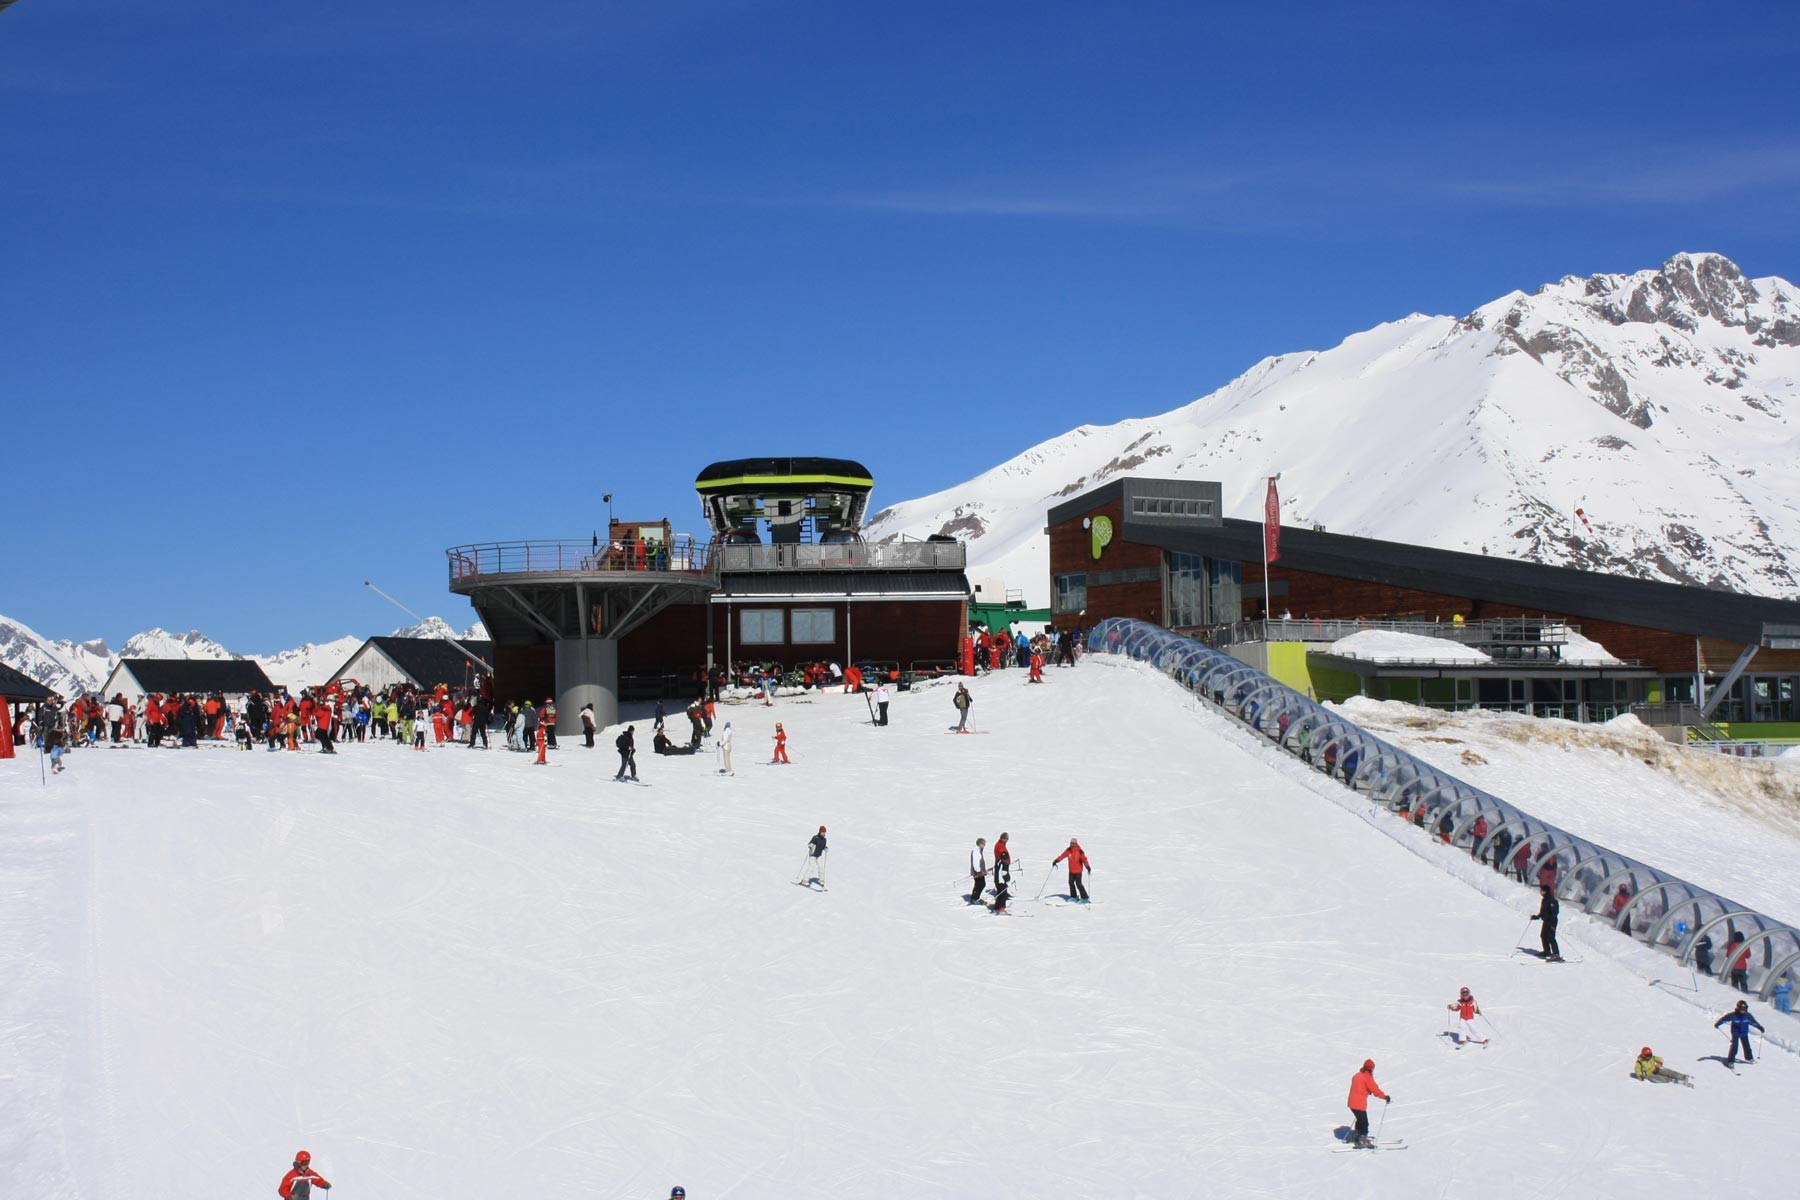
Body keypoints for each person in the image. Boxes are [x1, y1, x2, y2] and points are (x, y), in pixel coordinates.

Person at [1346, 1059, 1389, 1149]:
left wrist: (1366, 1090)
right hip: (1359, 1104)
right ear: (1371, 1068)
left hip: (1351, 1103)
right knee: (1364, 1123)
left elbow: (1359, 1087)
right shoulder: (1367, 1077)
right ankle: (1362, 1140)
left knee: (1360, 1120)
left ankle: (1356, 1136)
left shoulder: (1357, 1075)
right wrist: (1384, 1097)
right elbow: (1375, 1089)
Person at [1715, 999, 1764, 1066]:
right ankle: (1731, 1061)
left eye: (1744, 1009)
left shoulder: (1748, 1016)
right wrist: (1718, 1023)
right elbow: (1724, 1019)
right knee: (1735, 1047)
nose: (1743, 1011)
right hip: (1735, 1033)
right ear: (1738, 1008)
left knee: (1747, 1046)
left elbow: (1753, 1022)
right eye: (1741, 1009)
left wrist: (1760, 1027)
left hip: (1744, 1033)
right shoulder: (1733, 1015)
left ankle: (1749, 1058)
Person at [1529, 884, 1561, 961]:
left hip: (1551, 921)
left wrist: (1551, 922)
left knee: (1551, 937)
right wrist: (1537, 917)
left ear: (1546, 891)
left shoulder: (1551, 900)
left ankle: (1556, 954)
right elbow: (1543, 912)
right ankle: (1547, 951)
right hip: (1546, 921)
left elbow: (1555, 912)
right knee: (1543, 935)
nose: (1541, 892)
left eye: (1542, 891)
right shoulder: (1545, 899)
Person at [1053, 838, 1091, 902]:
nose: (1072, 845)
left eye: (1073, 843)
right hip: (1071, 871)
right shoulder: (1068, 850)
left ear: (1076, 844)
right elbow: (1062, 856)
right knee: (1070, 883)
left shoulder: (1080, 851)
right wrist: (1056, 860)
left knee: (1078, 884)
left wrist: (1087, 867)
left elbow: (1084, 860)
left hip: (1078, 871)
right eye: (1071, 843)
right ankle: (1074, 897)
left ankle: (1085, 897)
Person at [968, 837, 987, 906]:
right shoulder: (976, 851)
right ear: (979, 844)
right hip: (977, 872)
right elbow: (975, 862)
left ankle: (976, 898)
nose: (984, 845)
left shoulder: (979, 850)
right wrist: (978, 871)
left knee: (980, 884)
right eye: (983, 844)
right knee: (980, 884)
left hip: (980, 871)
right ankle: (974, 899)